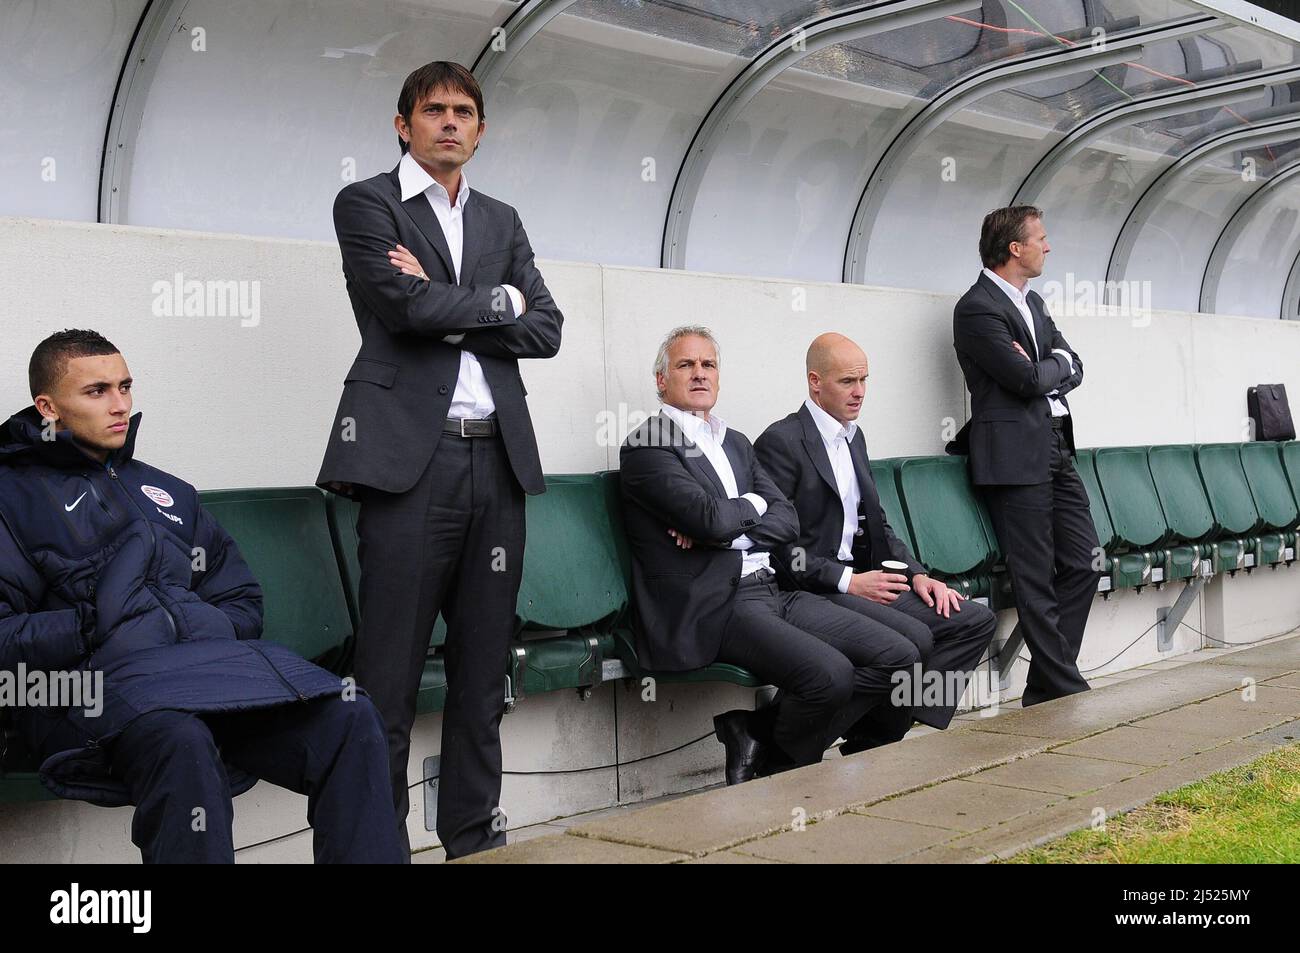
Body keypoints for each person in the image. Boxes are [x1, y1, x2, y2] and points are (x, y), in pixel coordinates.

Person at [0, 329, 403, 864]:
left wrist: (199, 628)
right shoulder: (11, 497)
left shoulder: (167, 492)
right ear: (47, 407)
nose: (119, 405)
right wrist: (93, 625)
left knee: (350, 717)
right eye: (96, 392)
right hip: (91, 694)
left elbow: (239, 597)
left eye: (125, 387)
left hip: (205, 677)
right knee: (181, 739)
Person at [316, 61, 563, 859]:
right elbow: (403, 305)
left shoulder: (502, 217)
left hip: (498, 464)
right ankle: (377, 848)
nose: (449, 122)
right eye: (433, 110)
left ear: (481, 130)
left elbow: (548, 330)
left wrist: (460, 308)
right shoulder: (367, 203)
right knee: (386, 681)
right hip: (406, 469)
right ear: (403, 124)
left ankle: (471, 839)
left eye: (464, 111)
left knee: (483, 675)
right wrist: (498, 303)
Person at [619, 326, 921, 783]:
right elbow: (710, 518)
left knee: (899, 654)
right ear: (662, 380)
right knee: (831, 675)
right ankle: (782, 775)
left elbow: (785, 520)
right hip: (716, 602)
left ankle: (760, 742)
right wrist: (735, 516)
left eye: (708, 365)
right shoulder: (648, 445)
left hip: (774, 588)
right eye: (686, 365)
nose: (700, 374)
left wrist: (726, 522)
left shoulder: (735, 441)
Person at [755, 333, 997, 748]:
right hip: (814, 588)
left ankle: (877, 728)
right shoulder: (781, 442)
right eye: (848, 381)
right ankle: (863, 733)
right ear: (815, 382)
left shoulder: (855, 436)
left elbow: (877, 523)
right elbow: (776, 547)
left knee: (973, 621)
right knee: (913, 642)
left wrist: (919, 575)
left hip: (867, 580)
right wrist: (848, 581)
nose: (859, 392)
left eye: (864, 380)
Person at [951, 206, 1098, 706]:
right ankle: (1066, 689)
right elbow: (1027, 380)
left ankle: (1046, 684)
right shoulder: (976, 308)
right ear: (1015, 248)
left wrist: (1050, 362)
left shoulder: (1031, 303)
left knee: (1084, 563)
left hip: (1056, 444)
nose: (1048, 246)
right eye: (1041, 237)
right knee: (1033, 576)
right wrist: (1051, 364)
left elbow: (1074, 364)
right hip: (1014, 456)